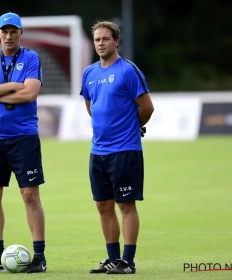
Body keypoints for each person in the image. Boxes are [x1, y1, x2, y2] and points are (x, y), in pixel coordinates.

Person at [0, 12, 47, 273]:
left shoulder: (31, 58)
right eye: (4, 31)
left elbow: (30, 94)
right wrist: (12, 86)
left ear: (21, 33)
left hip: (23, 137)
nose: (9, 35)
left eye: (14, 31)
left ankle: (39, 256)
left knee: (29, 195)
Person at [80, 20, 154, 275]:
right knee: (103, 205)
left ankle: (128, 261)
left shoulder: (128, 71)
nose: (101, 43)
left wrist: (133, 127)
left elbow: (147, 108)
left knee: (126, 205)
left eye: (105, 39)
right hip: (98, 151)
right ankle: (112, 259)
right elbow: (91, 107)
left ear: (116, 41)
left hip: (125, 150)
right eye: (97, 39)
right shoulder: (89, 73)